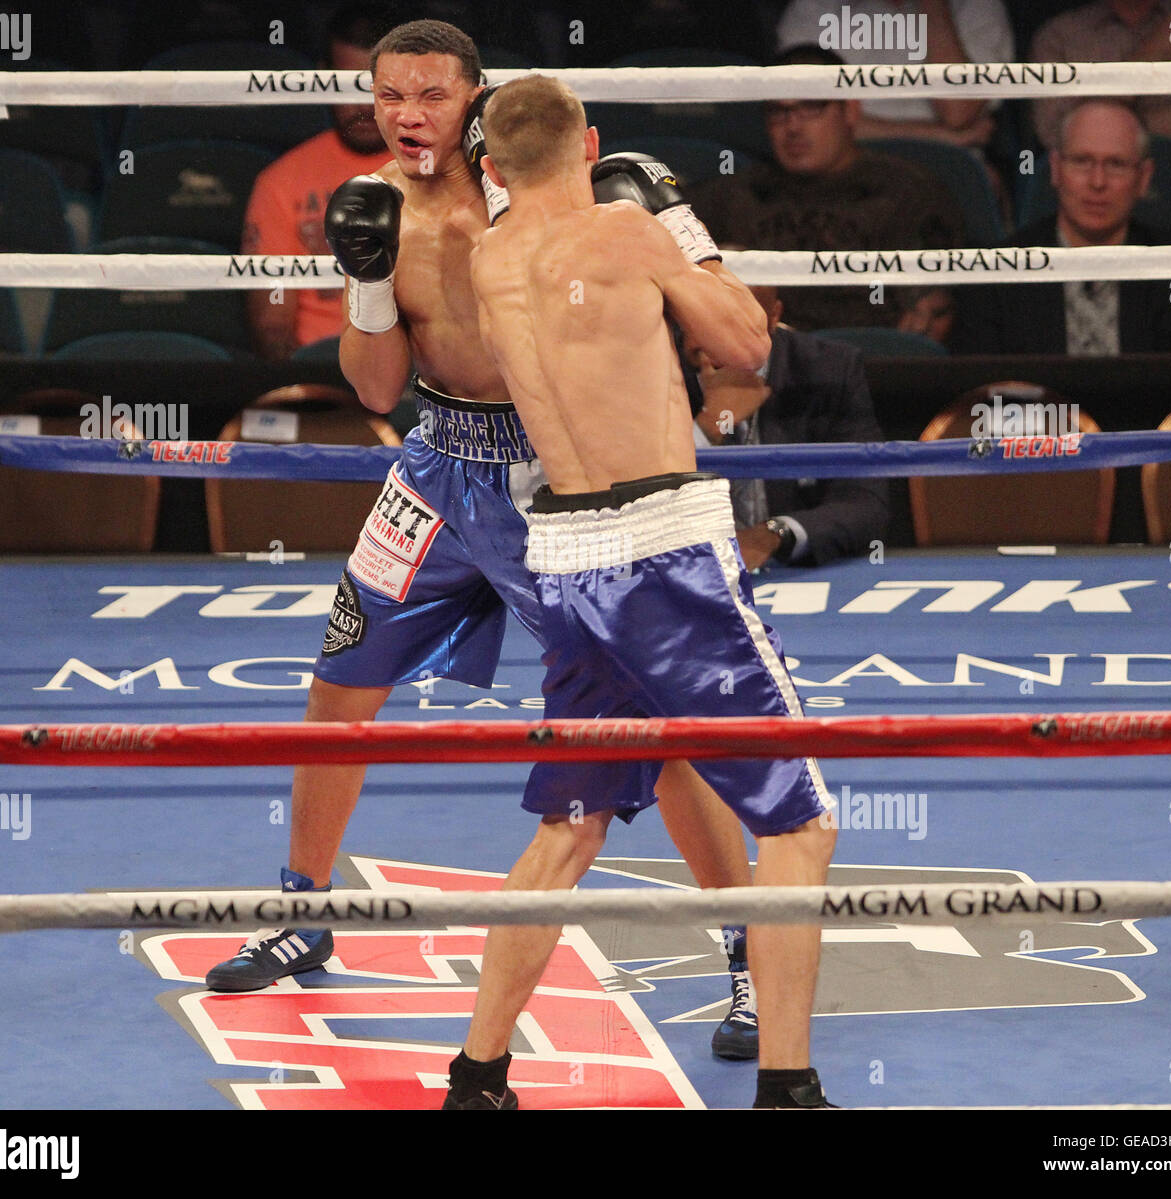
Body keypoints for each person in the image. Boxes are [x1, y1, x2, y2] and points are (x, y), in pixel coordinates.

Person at [205, 19, 764, 1063]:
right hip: (435, 464)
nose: (408, 116)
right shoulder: (376, 210)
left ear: (475, 98)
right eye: (388, 98)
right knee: (339, 682)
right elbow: (375, 389)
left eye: (430, 95)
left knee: (655, 722)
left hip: (563, 473)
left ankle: (745, 950)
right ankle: (304, 909)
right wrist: (367, 279)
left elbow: (717, 329)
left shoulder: (558, 195)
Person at [443, 74, 838, 1111]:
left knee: (570, 823)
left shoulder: (488, 258)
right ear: (595, 146)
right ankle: (789, 1089)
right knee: (799, 822)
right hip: (665, 551)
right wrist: (679, 223)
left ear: (488, 170)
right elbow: (750, 346)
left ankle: (476, 1077)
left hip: (565, 554)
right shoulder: (624, 232)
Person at [689, 44, 963, 341]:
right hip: (768, 357)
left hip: (875, 361)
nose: (792, 126)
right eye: (778, 111)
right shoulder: (735, 194)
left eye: (811, 106)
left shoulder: (908, 189)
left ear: (850, 109)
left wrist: (929, 309)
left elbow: (938, 306)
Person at [953, 100, 1171, 355]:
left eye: (1116, 165)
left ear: (1143, 178)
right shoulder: (998, 276)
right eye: (1082, 161)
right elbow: (985, 396)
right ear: (1056, 169)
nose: (1097, 182)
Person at [688, 281, 890, 569]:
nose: (723, 332)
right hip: (685, 570)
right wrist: (709, 425)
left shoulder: (828, 370)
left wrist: (771, 535)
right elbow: (627, 505)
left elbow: (866, 502)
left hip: (792, 575)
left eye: (740, 318)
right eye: (708, 315)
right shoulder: (651, 372)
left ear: (772, 316)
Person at [241, 4, 398, 359]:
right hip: (321, 371)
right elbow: (272, 327)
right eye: (348, 84)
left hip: (417, 374)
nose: (364, 105)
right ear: (323, 77)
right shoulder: (280, 182)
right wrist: (308, 393)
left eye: (376, 87)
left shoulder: (433, 169)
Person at [1030, 1, 1171, 185]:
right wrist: (1146, 57)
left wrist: (1106, 121)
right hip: (1094, 192)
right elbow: (1056, 134)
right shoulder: (1058, 37)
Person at [776, 0, 1014, 150]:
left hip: (942, 171)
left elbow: (959, 113)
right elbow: (804, 119)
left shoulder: (977, 7)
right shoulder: (814, 7)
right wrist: (938, 136)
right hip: (844, 166)